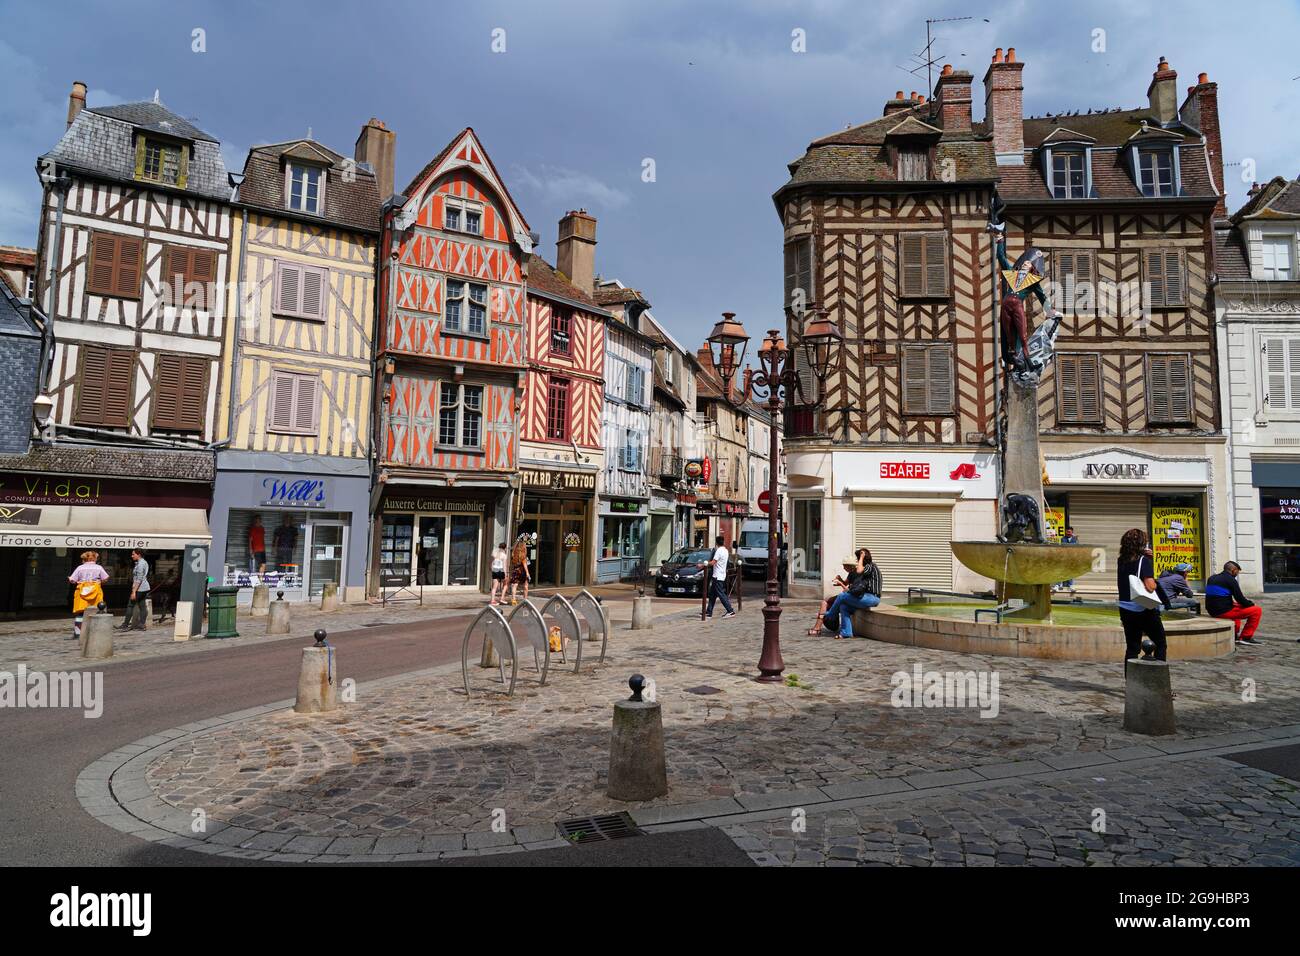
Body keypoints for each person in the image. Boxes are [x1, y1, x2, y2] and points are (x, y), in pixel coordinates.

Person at [1116, 528, 1172, 661]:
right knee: (1160, 643)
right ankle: (1156, 676)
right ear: (1141, 544)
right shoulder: (1144, 561)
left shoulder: (1121, 560)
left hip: (1125, 607)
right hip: (1143, 608)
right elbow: (1150, 586)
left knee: (1132, 648)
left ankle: (1131, 680)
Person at [824, 550, 882, 639]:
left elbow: (859, 571)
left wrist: (861, 557)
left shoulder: (870, 566)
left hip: (872, 597)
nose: (857, 561)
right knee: (844, 607)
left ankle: (830, 615)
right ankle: (846, 633)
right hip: (865, 597)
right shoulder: (866, 568)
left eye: (858, 559)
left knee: (842, 596)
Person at [1206, 561, 1262, 645]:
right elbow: (1240, 598)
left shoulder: (1211, 578)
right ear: (1233, 570)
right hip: (1222, 611)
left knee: (1237, 606)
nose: (1237, 574)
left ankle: (1234, 634)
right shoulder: (1231, 580)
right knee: (1257, 610)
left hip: (1212, 610)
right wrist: (1251, 604)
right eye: (1237, 572)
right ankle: (1246, 637)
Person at [68, 550, 108, 642]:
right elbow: (105, 578)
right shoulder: (99, 567)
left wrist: (72, 579)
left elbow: (73, 580)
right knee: (96, 611)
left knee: (81, 613)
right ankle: (95, 632)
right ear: (94, 558)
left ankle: (78, 633)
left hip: (82, 593)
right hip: (95, 592)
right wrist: (97, 582)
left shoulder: (79, 568)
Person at [701, 534, 735, 619]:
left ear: (716, 543)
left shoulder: (719, 551)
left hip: (717, 576)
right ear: (723, 542)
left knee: (721, 594)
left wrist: (702, 565)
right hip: (721, 575)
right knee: (712, 595)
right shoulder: (726, 550)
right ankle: (709, 612)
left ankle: (730, 610)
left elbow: (713, 562)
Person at [117, 548, 151, 632]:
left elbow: (139, 579)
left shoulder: (140, 564)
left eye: (133, 554)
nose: (131, 556)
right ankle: (142, 625)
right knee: (142, 605)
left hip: (140, 588)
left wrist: (134, 592)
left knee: (130, 605)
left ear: (138, 554)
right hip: (144, 587)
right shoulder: (142, 562)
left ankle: (125, 625)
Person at [508, 535, 531, 605]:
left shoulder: (513, 556)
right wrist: (527, 573)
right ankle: (525, 600)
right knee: (526, 586)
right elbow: (525, 566)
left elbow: (513, 564)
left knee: (514, 586)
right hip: (523, 571)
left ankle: (513, 600)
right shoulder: (523, 556)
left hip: (516, 571)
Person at [1055, 525, 1079, 591]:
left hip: (1072, 558)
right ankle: (1058, 585)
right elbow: (1064, 546)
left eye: (1070, 532)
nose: (1068, 533)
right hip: (1064, 557)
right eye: (1067, 531)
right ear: (1065, 532)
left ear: (1072, 532)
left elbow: (1076, 547)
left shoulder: (1075, 539)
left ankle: (1071, 585)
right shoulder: (1063, 538)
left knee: (1070, 572)